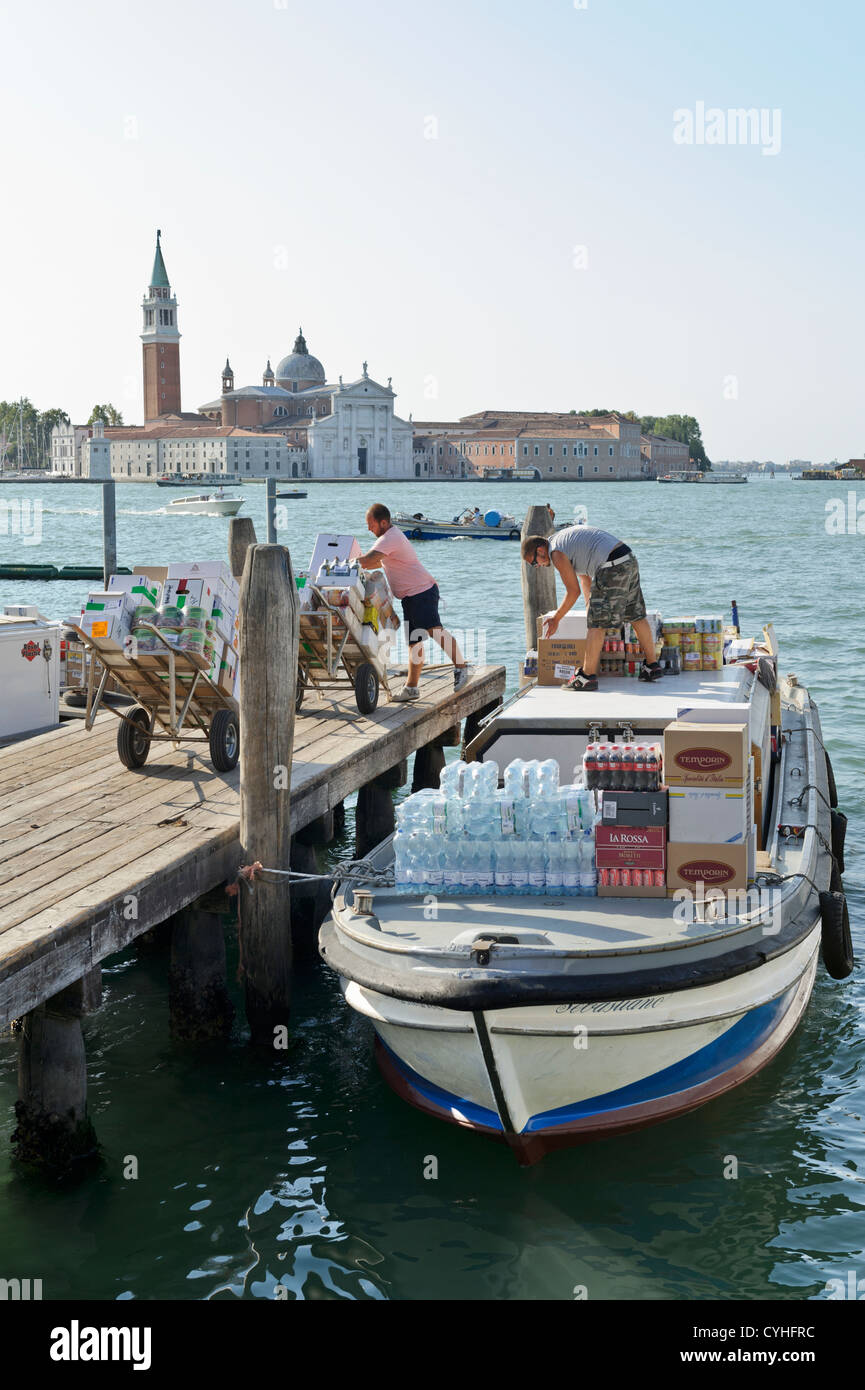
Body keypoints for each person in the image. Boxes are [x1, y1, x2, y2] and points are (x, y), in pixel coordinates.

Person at [521, 524, 663, 691]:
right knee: (636, 615)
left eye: (533, 563)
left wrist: (556, 618)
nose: (537, 567)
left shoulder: (556, 553)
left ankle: (586, 677)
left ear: (540, 551)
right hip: (628, 558)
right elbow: (585, 578)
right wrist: (590, 608)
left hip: (611, 566)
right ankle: (651, 667)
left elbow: (573, 592)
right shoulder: (564, 542)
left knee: (597, 625)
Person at [358, 502, 471, 700]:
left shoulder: (390, 537)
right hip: (412, 597)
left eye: (371, 524)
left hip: (422, 592)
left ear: (383, 522)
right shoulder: (388, 538)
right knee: (414, 643)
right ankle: (411, 688)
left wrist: (345, 560)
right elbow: (376, 562)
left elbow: (367, 561)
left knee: (435, 631)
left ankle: (461, 668)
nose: (369, 529)